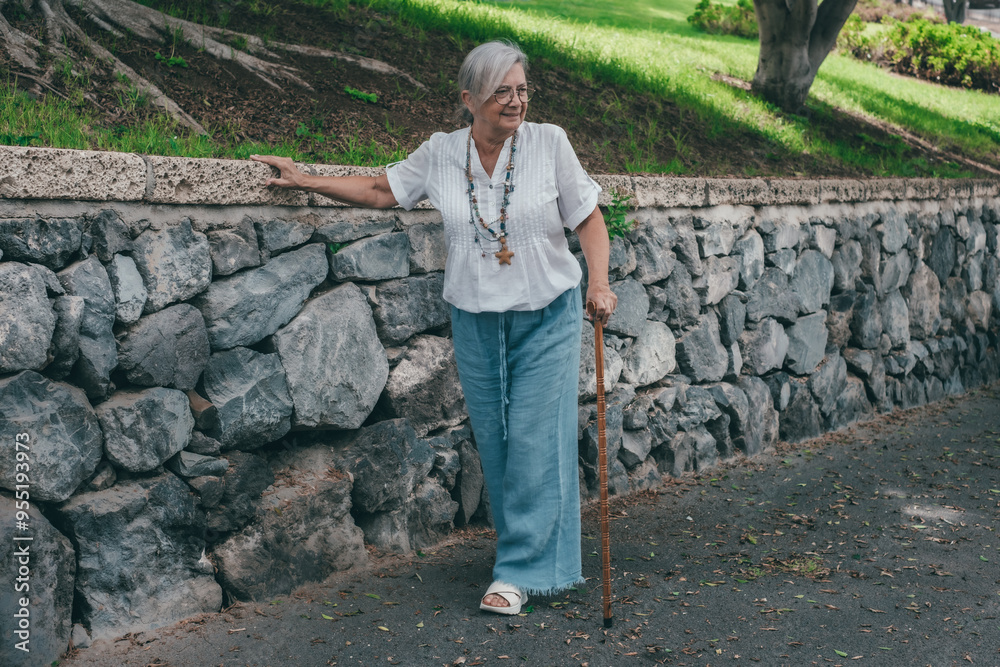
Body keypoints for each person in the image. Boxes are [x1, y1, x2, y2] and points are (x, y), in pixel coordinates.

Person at [251, 39, 617, 615]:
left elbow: (589, 220)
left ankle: (516, 573)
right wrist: (304, 180)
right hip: (475, 319)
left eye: (522, 90)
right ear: (469, 99)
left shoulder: (549, 144)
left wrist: (598, 281)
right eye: (503, 92)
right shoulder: (442, 153)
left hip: (546, 313)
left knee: (532, 438)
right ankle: (529, 558)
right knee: (495, 444)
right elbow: (379, 190)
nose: (516, 101)